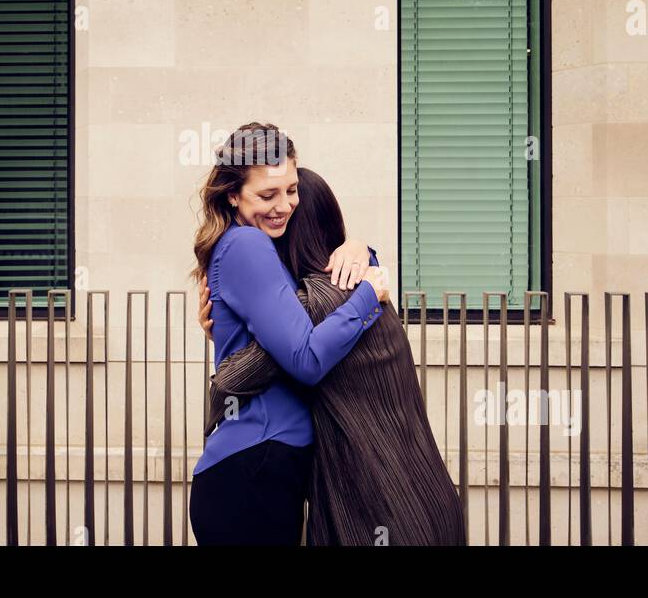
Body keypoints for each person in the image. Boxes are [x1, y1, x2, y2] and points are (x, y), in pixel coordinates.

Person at [201, 167, 466, 546]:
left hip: (382, 507)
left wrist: (227, 327)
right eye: (268, 196)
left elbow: (233, 378)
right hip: (425, 496)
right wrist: (365, 252)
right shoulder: (361, 289)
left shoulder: (320, 302)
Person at [187, 122, 389, 545]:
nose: (284, 205)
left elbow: (314, 281)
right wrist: (370, 293)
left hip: (260, 468)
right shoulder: (248, 246)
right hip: (252, 468)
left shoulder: (257, 242)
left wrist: (361, 248)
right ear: (232, 194)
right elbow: (307, 360)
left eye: (291, 189)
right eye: (267, 195)